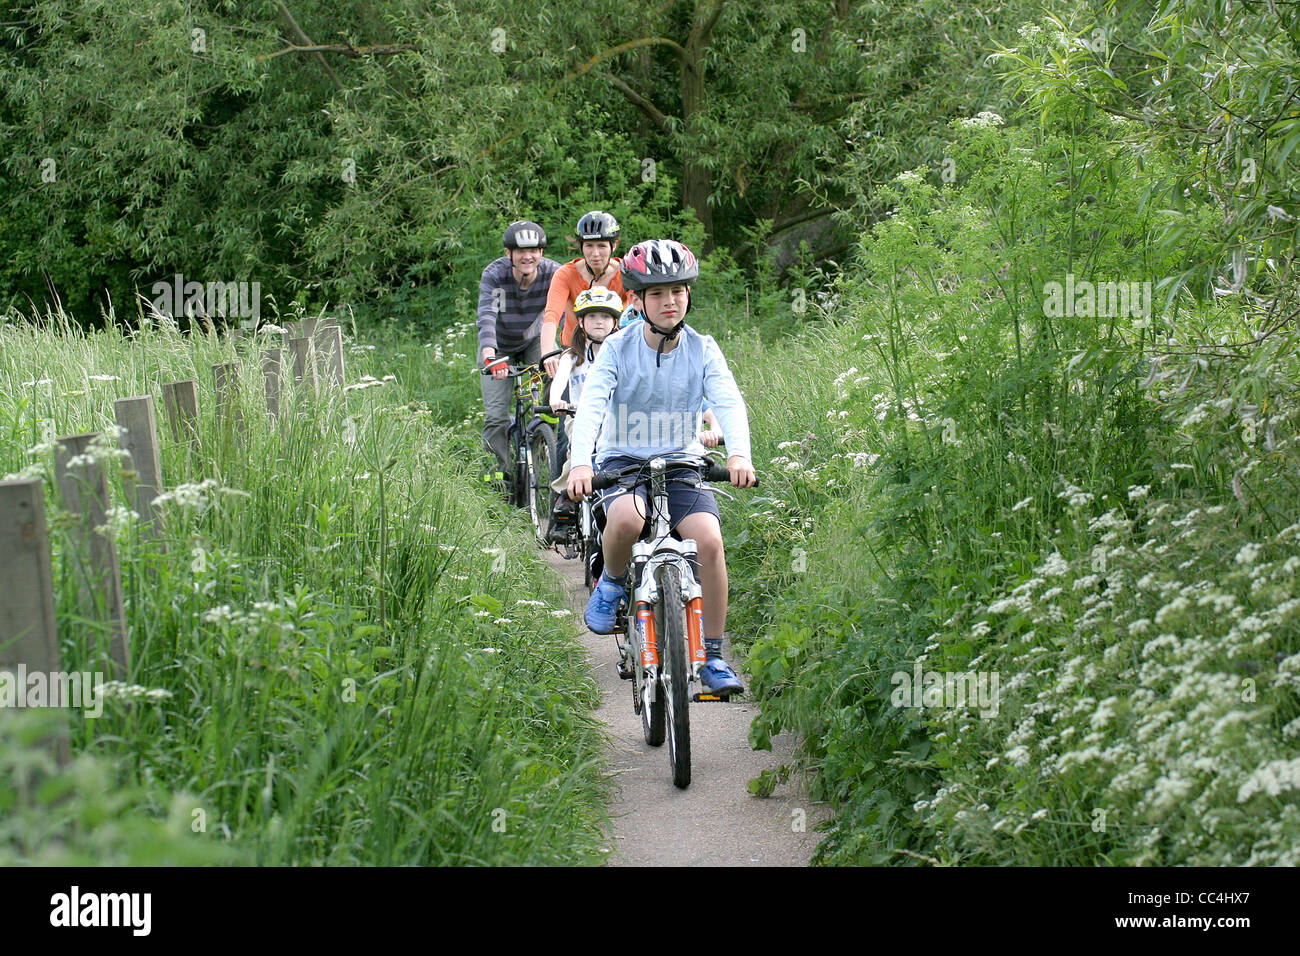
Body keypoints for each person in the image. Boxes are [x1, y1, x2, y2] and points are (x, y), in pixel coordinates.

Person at [567, 239, 756, 695]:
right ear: (637, 299)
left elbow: (728, 400)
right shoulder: (616, 348)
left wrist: (739, 454)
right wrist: (579, 464)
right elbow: (591, 406)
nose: (669, 301)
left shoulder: (703, 349)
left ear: (689, 294)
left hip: (682, 459)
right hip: (623, 459)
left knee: (709, 540)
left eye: (678, 291)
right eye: (657, 293)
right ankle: (611, 583)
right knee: (628, 519)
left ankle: (711, 656)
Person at [476, 220, 560, 490]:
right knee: (496, 415)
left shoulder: (552, 274)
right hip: (499, 345)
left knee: (556, 384)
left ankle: (546, 440)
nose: (528, 256)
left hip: (534, 340)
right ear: (508, 253)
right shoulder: (495, 275)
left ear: (542, 253)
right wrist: (489, 353)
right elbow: (487, 315)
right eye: (520, 250)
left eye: (534, 250)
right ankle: (496, 474)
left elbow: (566, 309)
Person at [545, 285, 622, 542]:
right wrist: (556, 400)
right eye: (592, 316)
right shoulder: (573, 355)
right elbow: (560, 381)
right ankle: (566, 499)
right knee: (576, 449)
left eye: (605, 317)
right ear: (580, 321)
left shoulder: (623, 352)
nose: (599, 322)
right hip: (578, 416)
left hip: (615, 420)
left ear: (615, 322)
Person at [539, 210, 627, 379]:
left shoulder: (626, 272)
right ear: (581, 246)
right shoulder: (565, 274)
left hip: (616, 350)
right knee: (553, 395)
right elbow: (551, 315)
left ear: (614, 245)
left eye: (601, 246)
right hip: (574, 351)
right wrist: (548, 353)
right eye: (589, 246)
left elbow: (636, 314)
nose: (595, 254)